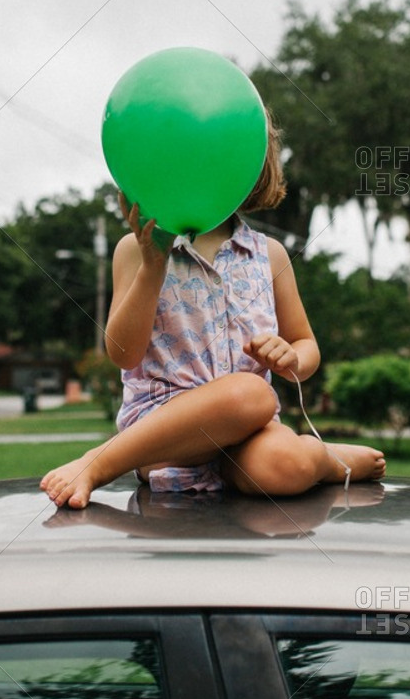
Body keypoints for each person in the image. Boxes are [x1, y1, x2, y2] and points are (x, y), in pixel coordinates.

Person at [41, 111, 386, 509]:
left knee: (285, 466)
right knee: (251, 393)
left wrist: (291, 358)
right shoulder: (135, 250)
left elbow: (306, 344)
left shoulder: (269, 256)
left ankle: (327, 459)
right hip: (160, 437)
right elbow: (123, 353)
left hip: (247, 436)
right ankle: (98, 464)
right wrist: (154, 268)